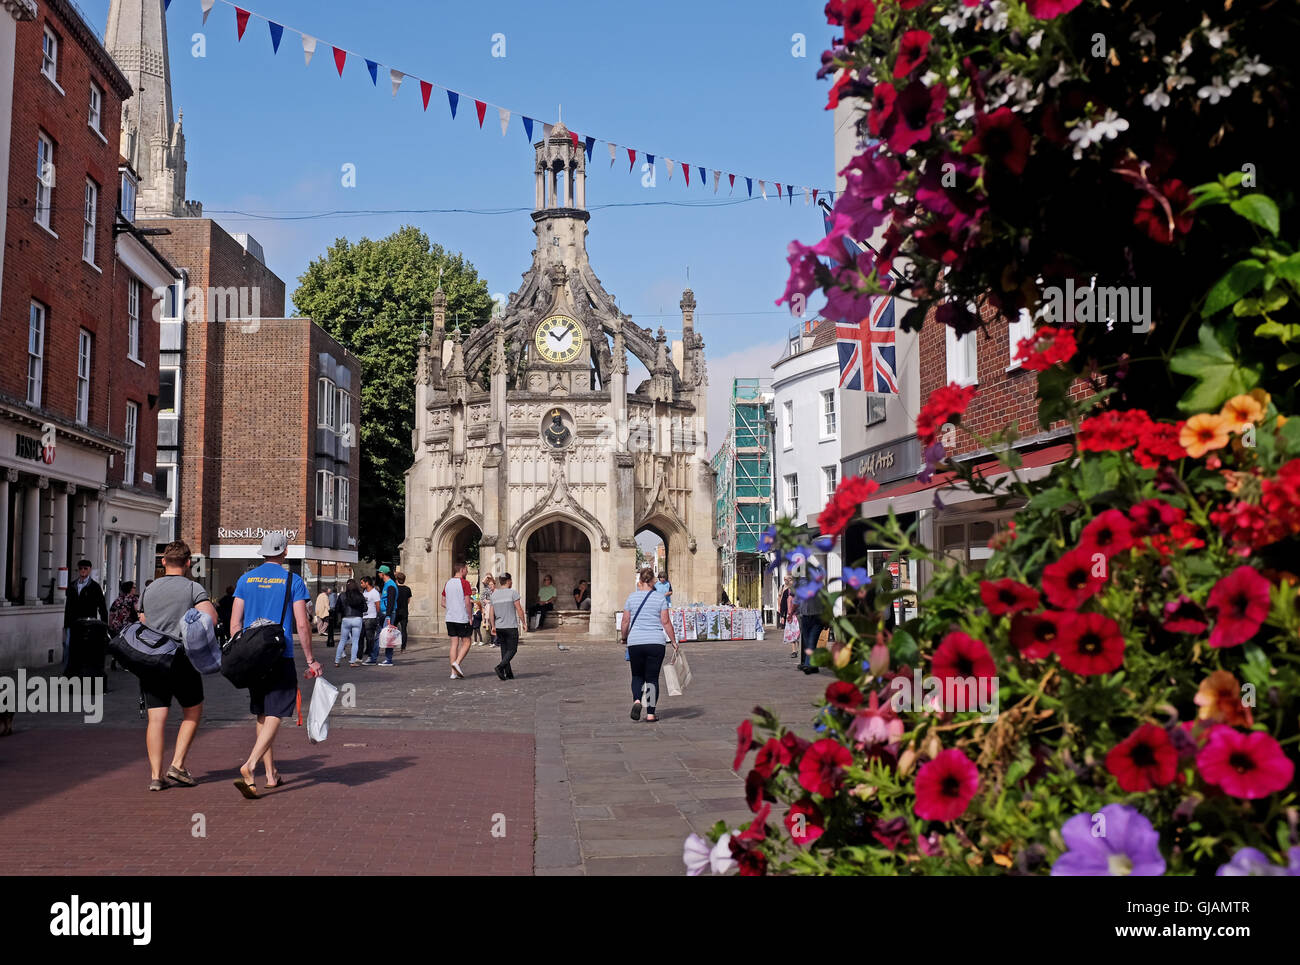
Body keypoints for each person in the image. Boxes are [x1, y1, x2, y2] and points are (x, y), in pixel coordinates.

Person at [228, 531, 316, 799]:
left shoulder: (245, 579)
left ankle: (270, 774)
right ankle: (250, 765)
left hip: (252, 656)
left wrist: (239, 652)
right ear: (285, 552)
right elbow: (302, 624)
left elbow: (235, 623)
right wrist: (311, 659)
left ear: (263, 552)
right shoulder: (293, 580)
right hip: (279, 654)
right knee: (279, 709)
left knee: (262, 714)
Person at [137, 541, 217, 792]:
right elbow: (211, 618)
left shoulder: (148, 589)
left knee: (156, 718)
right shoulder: (193, 588)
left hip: (151, 660)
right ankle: (178, 764)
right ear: (187, 563)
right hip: (181, 658)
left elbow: (142, 618)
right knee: (192, 711)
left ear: (163, 562)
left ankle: (155, 776)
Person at [622, 567, 679, 723]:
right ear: (653, 581)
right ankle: (650, 714)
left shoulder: (631, 598)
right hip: (655, 642)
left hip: (635, 642)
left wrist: (624, 637)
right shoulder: (660, 598)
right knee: (652, 678)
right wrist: (673, 641)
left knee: (637, 675)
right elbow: (666, 622)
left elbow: (625, 621)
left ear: (640, 581)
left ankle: (637, 701)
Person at [64, 559, 108, 677]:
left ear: (89, 570)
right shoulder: (73, 585)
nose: (83, 571)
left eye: (85, 568)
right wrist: (66, 624)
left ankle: (84, 674)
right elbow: (68, 606)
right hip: (73, 622)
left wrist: (104, 623)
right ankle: (68, 673)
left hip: (88, 623)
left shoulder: (95, 587)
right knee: (69, 646)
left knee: (85, 648)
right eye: (81, 569)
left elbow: (102, 606)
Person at [487, 572, 528, 680]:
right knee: (513, 649)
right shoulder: (512, 593)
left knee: (504, 650)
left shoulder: (494, 595)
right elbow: (519, 609)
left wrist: (493, 626)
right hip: (510, 626)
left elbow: (491, 612)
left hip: (499, 626)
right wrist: (523, 623)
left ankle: (508, 673)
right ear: (509, 581)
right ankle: (500, 667)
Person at [442, 561, 473, 679]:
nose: (467, 571)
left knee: (454, 644)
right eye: (466, 569)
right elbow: (467, 602)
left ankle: (453, 673)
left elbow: (443, 602)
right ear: (462, 569)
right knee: (467, 642)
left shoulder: (448, 583)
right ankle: (457, 662)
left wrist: (452, 607)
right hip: (461, 617)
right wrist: (470, 616)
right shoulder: (465, 583)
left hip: (450, 617)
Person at [107, 580, 141, 671]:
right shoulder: (133, 599)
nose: (135, 589)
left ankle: (114, 659)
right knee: (127, 646)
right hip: (127, 626)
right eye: (133, 587)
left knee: (118, 644)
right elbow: (137, 610)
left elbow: (112, 612)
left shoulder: (118, 599)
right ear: (130, 589)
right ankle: (125, 665)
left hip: (116, 626)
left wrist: (110, 625)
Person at [337, 579, 366, 667]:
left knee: (342, 640)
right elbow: (365, 608)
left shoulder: (342, 595)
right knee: (355, 641)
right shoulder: (360, 595)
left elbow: (337, 608)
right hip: (357, 618)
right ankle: (352, 661)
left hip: (346, 618)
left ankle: (337, 661)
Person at [797, 576, 823, 675]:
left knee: (811, 642)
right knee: (808, 642)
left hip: (817, 618)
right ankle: (814, 665)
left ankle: (808, 665)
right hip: (805, 618)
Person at [377, 566, 399, 666]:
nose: (378, 574)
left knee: (388, 636)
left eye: (379, 572)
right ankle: (387, 658)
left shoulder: (390, 585)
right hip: (385, 613)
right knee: (386, 635)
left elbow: (390, 601)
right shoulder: (387, 584)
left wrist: (389, 616)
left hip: (388, 613)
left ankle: (388, 659)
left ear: (383, 573)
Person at [360, 576, 382, 665]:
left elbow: (378, 605)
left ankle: (370, 657)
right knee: (362, 637)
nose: (361, 585)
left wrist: (377, 617)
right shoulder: (364, 592)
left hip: (371, 617)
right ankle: (361, 655)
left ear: (367, 583)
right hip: (363, 617)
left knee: (370, 638)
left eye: (362, 583)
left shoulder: (375, 593)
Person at [782, 576, 800, 658]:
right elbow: (783, 605)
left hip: (798, 615)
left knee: (798, 633)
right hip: (791, 615)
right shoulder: (786, 592)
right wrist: (783, 615)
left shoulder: (799, 591)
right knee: (792, 633)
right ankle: (794, 650)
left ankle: (799, 650)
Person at [395, 571, 412, 651]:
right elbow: (408, 601)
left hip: (396, 611)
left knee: (393, 629)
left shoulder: (395, 588)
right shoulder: (407, 589)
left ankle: (393, 644)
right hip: (404, 611)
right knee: (404, 629)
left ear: (397, 580)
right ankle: (403, 647)